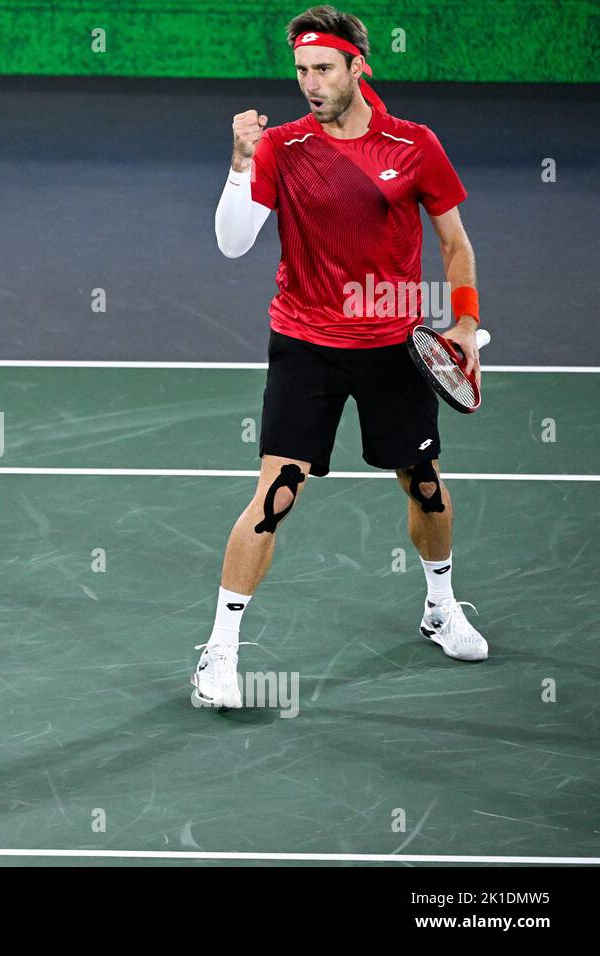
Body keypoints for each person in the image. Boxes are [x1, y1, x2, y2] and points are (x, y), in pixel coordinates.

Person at [196, 6, 487, 709]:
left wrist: (466, 326)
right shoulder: (282, 147)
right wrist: (239, 166)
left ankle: (440, 605)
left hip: (393, 347)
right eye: (301, 71)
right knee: (275, 496)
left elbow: (455, 244)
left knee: (424, 486)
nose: (310, 83)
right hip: (305, 344)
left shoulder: (414, 144)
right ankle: (220, 653)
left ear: (360, 67)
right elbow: (233, 244)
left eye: (323, 68)